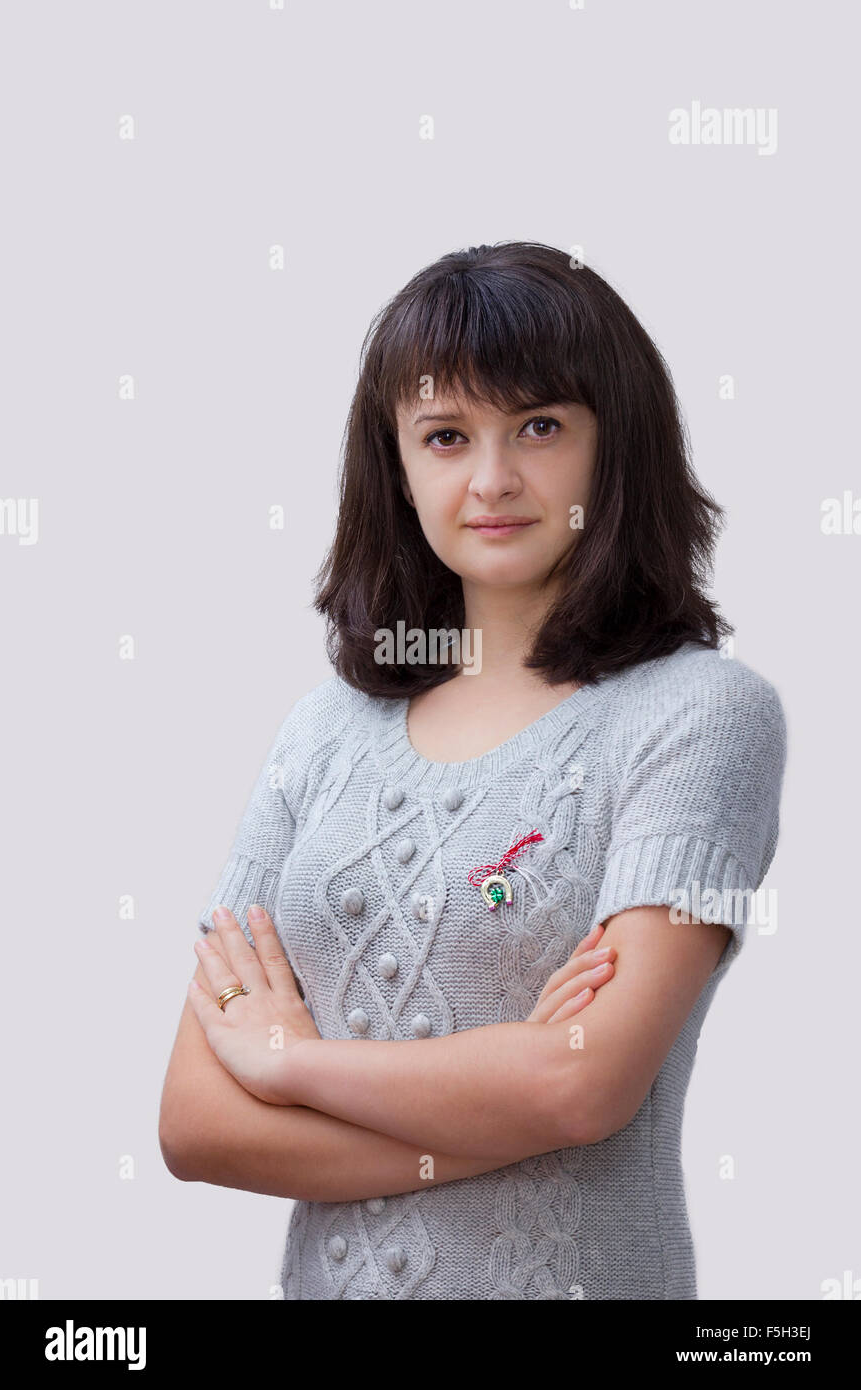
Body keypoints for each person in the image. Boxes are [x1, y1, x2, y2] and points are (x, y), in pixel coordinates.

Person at [159, 241, 787, 1300]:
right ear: (395, 465)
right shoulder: (320, 732)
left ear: (612, 447)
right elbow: (193, 1120)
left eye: (538, 427)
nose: (490, 479)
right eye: (444, 436)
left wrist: (292, 1063)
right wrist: (508, 1097)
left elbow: (585, 1079)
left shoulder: (704, 715)